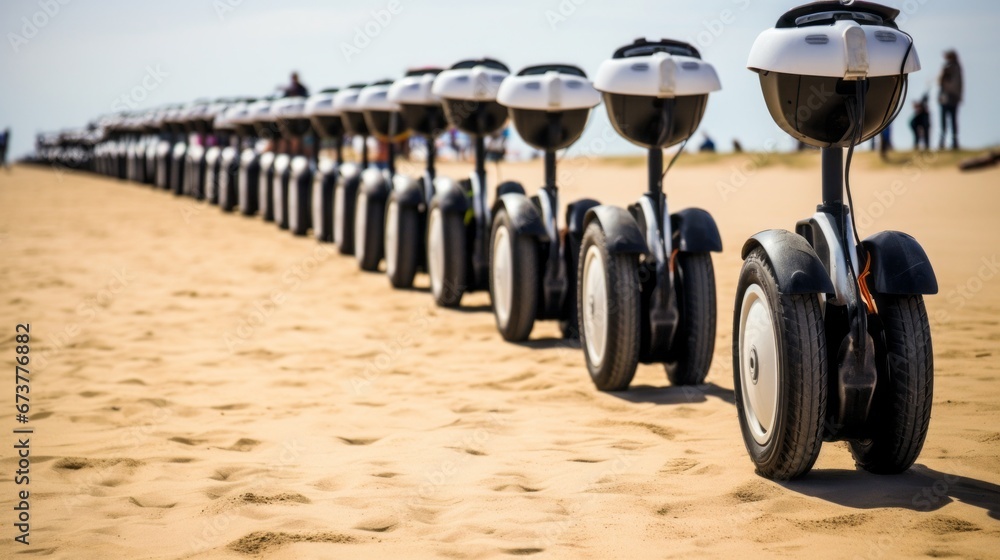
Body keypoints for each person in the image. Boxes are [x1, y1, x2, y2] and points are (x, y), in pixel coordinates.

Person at [938, 50, 963, 151]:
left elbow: (940, 81)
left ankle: (943, 143)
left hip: (947, 97)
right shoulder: (958, 67)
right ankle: (953, 142)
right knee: (953, 121)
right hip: (954, 98)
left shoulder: (948, 67)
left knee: (945, 121)